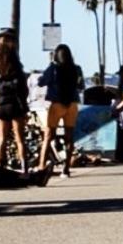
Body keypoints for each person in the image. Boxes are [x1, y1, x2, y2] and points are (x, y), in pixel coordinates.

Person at [0, 26, 28, 172]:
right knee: (19, 138)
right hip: (16, 102)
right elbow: (22, 84)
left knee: (1, 137)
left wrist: (0, 96)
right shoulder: (14, 59)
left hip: (1, 103)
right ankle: (24, 167)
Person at [38, 43, 84, 176]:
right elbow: (80, 85)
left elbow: (42, 82)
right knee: (69, 136)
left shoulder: (53, 68)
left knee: (48, 135)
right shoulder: (77, 69)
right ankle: (66, 168)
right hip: (72, 104)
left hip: (57, 103)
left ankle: (41, 166)